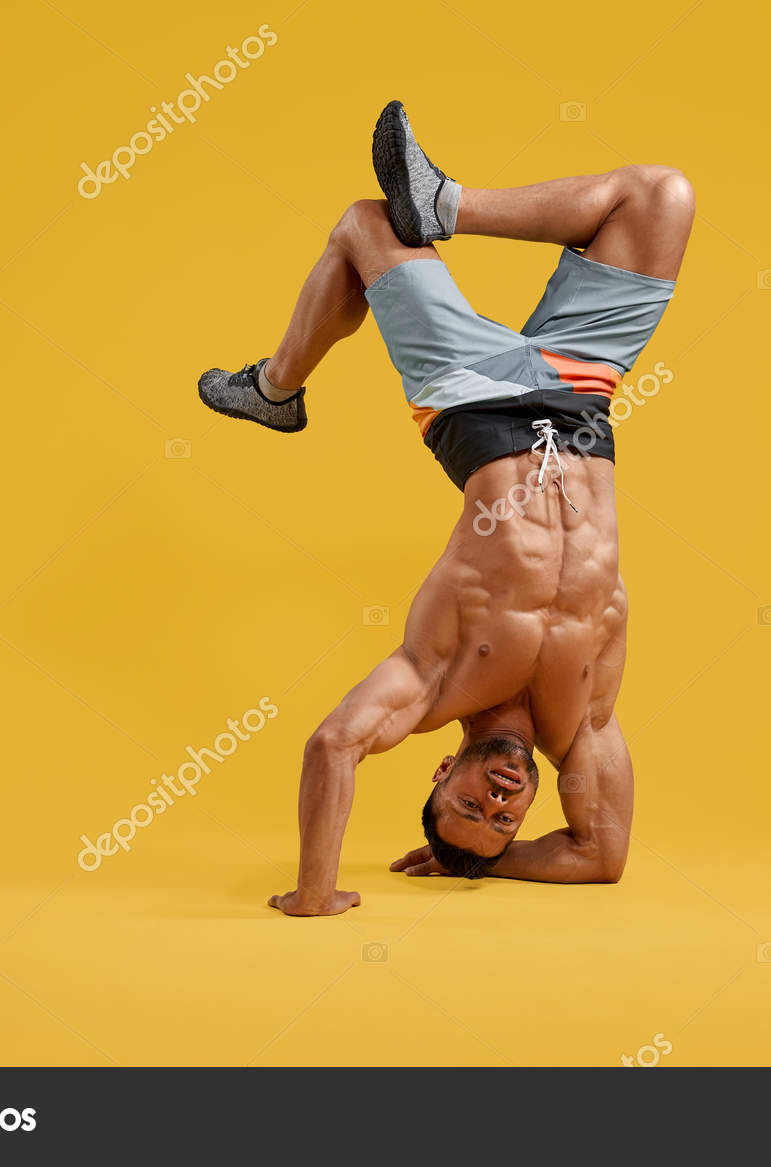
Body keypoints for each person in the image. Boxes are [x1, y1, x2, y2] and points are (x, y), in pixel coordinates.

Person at [199, 101, 693, 916]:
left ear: (440, 772)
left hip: (473, 396)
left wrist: (315, 892)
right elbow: (600, 855)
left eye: (470, 806)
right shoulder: (585, 720)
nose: (499, 799)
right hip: (580, 392)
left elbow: (335, 745)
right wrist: (484, 864)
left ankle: (276, 388)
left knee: (364, 225)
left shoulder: (431, 684)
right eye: (506, 818)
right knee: (661, 194)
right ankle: (447, 205)